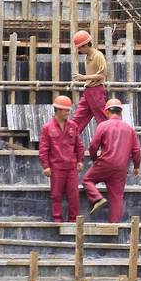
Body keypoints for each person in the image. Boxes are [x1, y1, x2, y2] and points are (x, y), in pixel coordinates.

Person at [83, 99, 141, 222]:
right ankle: (114, 226)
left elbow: (93, 146)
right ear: (121, 112)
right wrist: (136, 166)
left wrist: (94, 159)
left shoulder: (103, 126)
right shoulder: (129, 129)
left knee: (87, 180)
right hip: (121, 168)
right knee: (117, 198)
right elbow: (136, 150)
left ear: (107, 112)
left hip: (104, 163)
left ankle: (97, 198)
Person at [39, 95, 83, 223]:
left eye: (68, 110)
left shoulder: (73, 126)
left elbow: (79, 145)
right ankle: (57, 220)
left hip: (71, 167)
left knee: (74, 196)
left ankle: (73, 221)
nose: (68, 113)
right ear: (57, 110)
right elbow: (43, 148)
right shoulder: (47, 128)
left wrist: (80, 160)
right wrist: (46, 166)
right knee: (56, 195)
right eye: (65, 110)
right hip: (56, 167)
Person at [69, 30, 108, 134]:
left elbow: (102, 75)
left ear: (86, 45)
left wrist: (84, 77)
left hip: (96, 91)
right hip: (88, 91)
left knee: (103, 120)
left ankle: (111, 145)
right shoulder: (86, 57)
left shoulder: (98, 55)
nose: (79, 50)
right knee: (77, 119)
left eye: (80, 47)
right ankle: (69, 141)